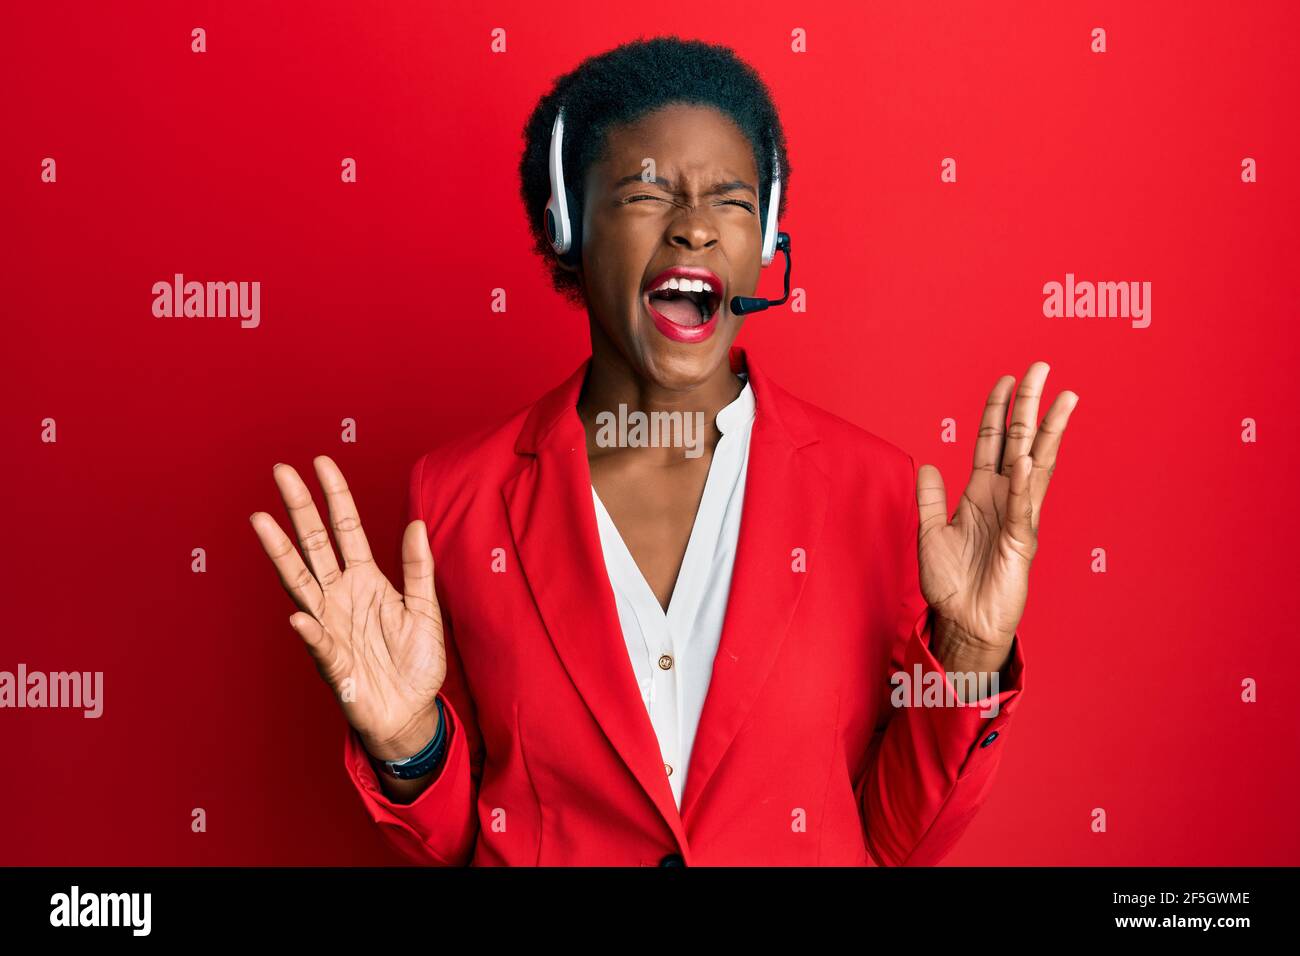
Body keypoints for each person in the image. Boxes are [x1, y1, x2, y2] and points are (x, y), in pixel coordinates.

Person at [249, 36, 1078, 866]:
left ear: (767, 236)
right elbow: (471, 841)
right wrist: (409, 744)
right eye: (647, 193)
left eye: (731, 200)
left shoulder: (877, 491)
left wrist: (969, 654)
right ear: (566, 226)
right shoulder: (456, 498)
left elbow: (897, 841)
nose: (694, 231)